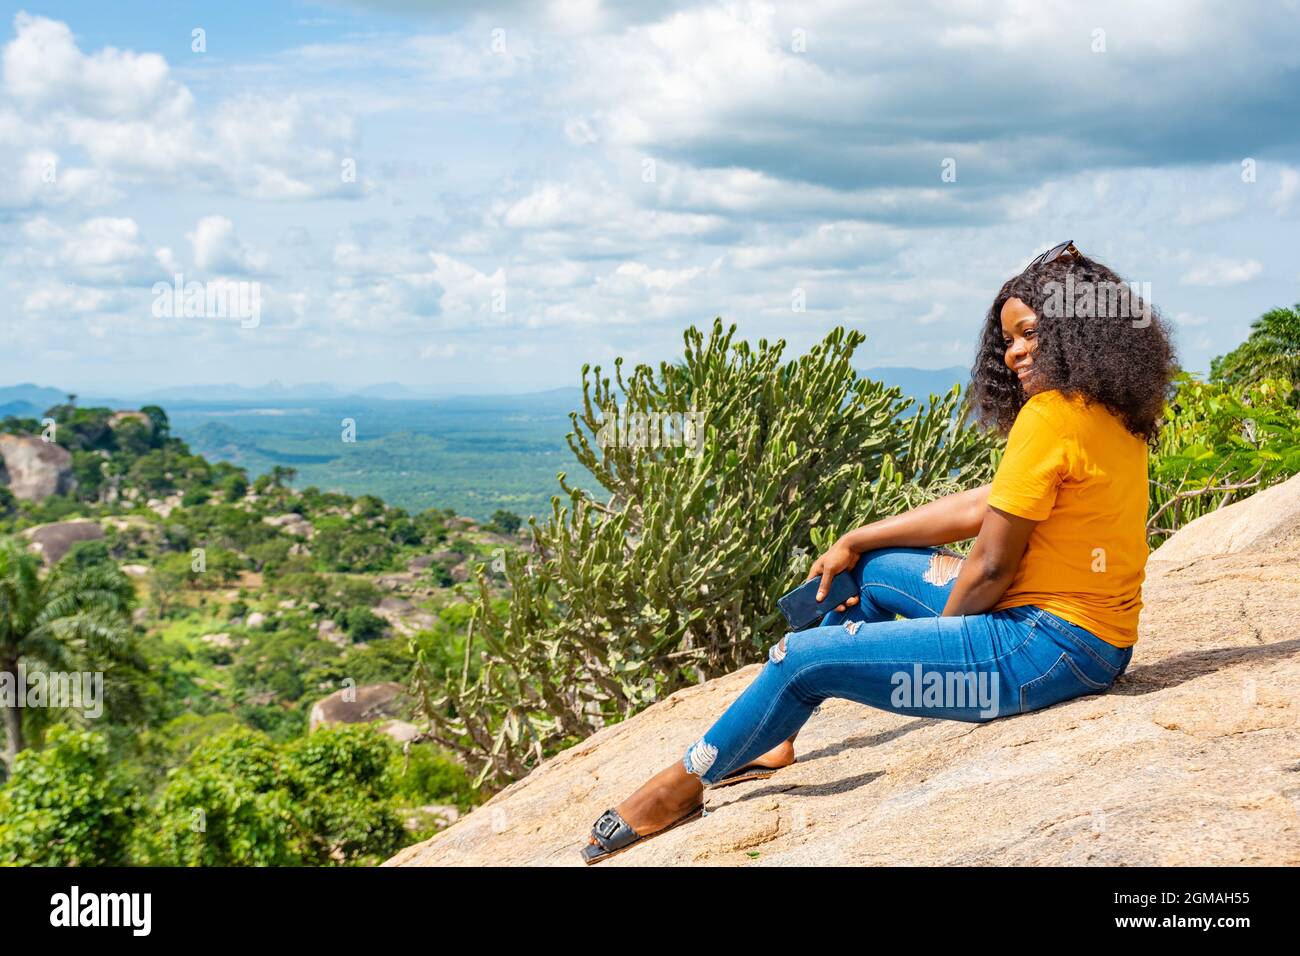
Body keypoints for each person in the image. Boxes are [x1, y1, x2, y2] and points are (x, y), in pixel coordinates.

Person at [581, 241, 1179, 864]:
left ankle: (682, 786)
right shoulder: (1112, 409)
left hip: (1043, 648)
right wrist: (859, 537)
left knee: (802, 658)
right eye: (1008, 340)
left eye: (1028, 334)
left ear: (1073, 332)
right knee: (865, 573)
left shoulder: (1051, 415)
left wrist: (944, 649)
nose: (1014, 353)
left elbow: (993, 564)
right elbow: (991, 501)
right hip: (1097, 644)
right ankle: (771, 740)